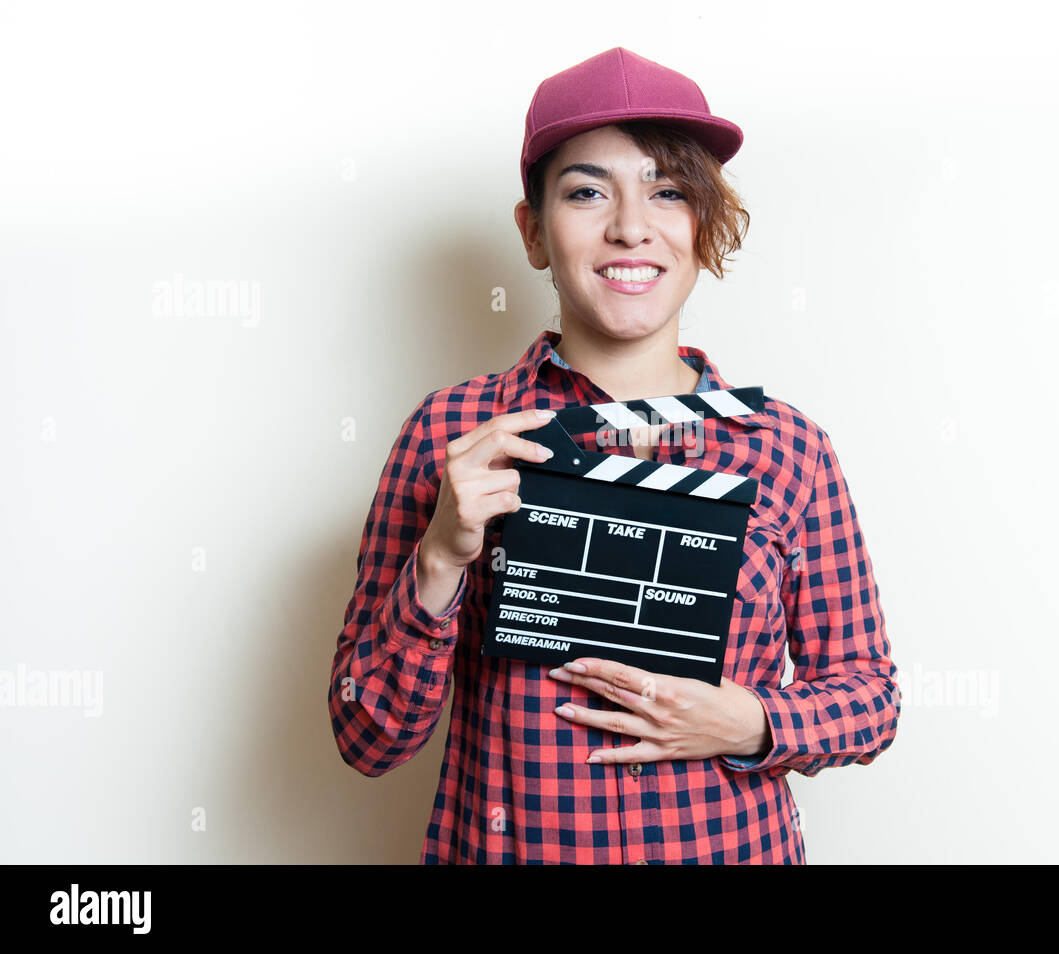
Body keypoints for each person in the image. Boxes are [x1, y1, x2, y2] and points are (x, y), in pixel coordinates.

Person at [328, 47, 900, 864]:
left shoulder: (785, 448)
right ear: (532, 232)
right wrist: (440, 560)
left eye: (668, 191)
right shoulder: (451, 434)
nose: (631, 225)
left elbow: (869, 697)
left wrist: (751, 721)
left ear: (702, 227)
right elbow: (367, 738)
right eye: (587, 191)